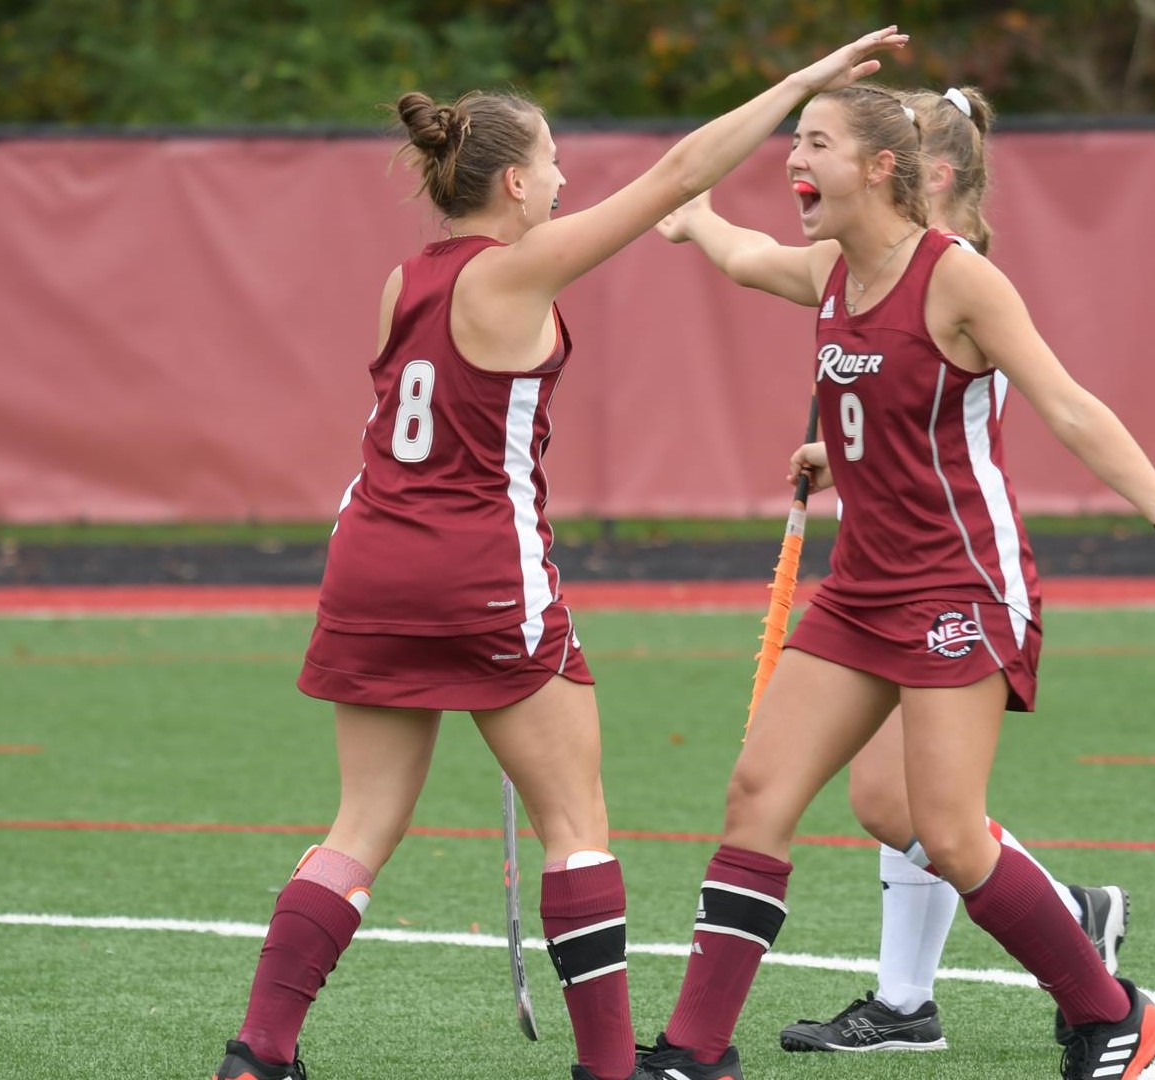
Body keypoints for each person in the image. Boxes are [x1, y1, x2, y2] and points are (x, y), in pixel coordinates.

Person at [206, 26, 911, 1080]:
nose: (565, 178)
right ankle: (608, 1067)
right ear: (514, 183)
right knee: (575, 821)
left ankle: (259, 1053)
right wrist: (801, 86)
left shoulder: (408, 279)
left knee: (359, 822)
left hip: (365, 563)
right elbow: (677, 173)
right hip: (476, 570)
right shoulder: (518, 269)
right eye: (551, 162)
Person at [638, 83, 1155, 1080]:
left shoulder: (956, 279)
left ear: (881, 168)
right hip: (862, 587)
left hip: (957, 585)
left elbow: (1066, 404)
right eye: (794, 142)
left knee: (948, 832)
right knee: (756, 796)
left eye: (816, 143)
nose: (794, 160)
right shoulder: (835, 267)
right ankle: (693, 1053)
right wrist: (696, 216)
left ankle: (1108, 1016)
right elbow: (753, 264)